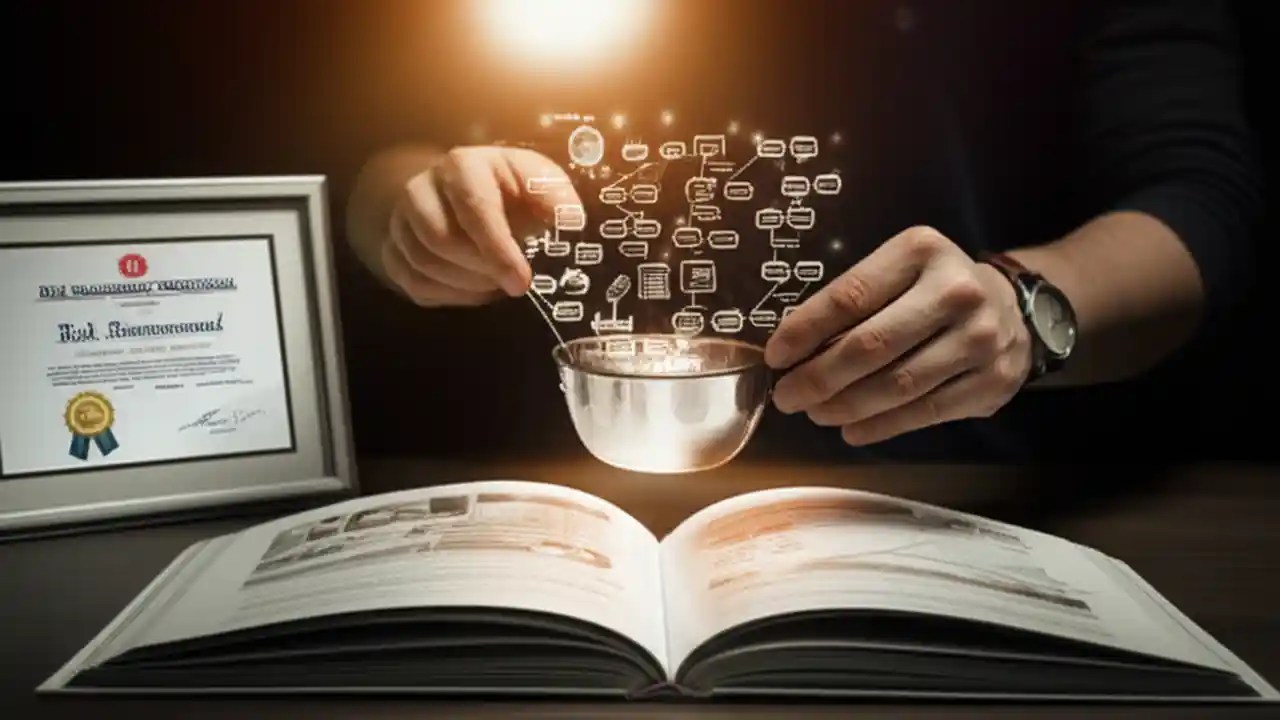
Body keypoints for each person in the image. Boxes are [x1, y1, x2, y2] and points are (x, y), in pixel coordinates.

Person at [344, 0, 1262, 462]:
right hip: (530, 491)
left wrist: (1022, 307)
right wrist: (405, 213)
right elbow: (371, 149)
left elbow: (1202, 200)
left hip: (946, 488)